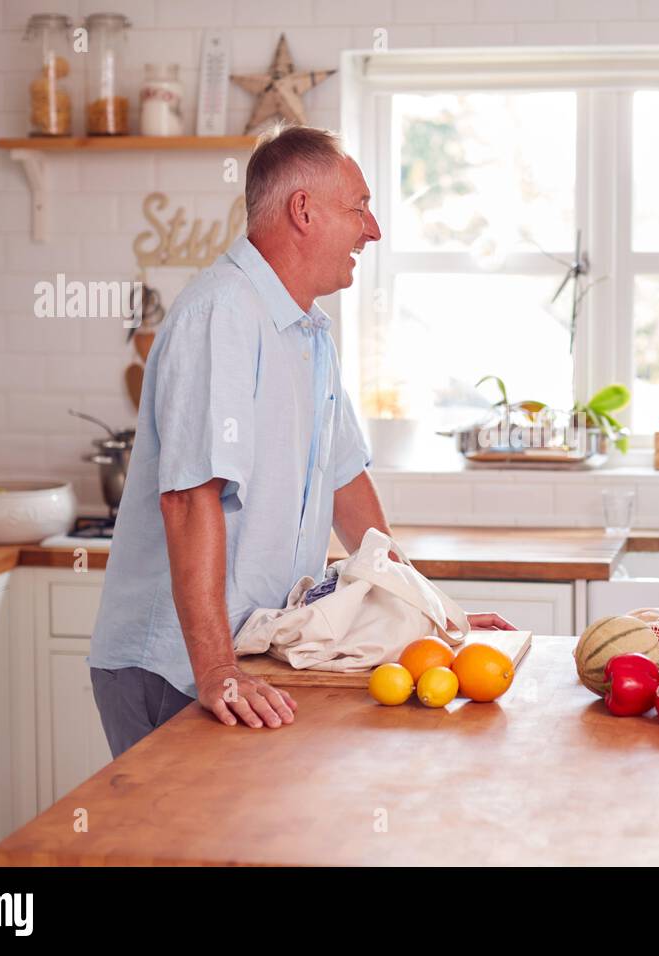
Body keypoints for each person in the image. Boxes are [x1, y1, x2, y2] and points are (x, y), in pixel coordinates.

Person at [88, 125, 511, 758]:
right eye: (359, 208)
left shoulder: (309, 331)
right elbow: (188, 499)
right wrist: (217, 668)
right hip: (178, 668)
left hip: (251, 656)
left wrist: (426, 612)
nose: (373, 230)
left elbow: (345, 483)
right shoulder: (222, 314)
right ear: (303, 211)